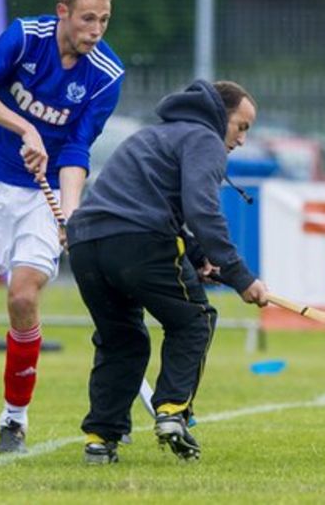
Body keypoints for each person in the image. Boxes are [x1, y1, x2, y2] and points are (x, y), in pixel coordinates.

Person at [0, 0, 122, 454]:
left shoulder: (107, 75)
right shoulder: (26, 37)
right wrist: (25, 129)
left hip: (38, 199)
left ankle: (14, 419)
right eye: (87, 19)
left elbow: (76, 149)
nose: (95, 30)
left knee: (24, 296)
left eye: (104, 21)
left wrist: (69, 213)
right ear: (63, 11)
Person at [66, 80, 269, 464]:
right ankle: (173, 413)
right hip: (138, 242)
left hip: (85, 244)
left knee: (121, 339)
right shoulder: (204, 139)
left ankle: (100, 439)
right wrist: (242, 278)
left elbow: (147, 205)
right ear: (218, 116)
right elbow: (202, 212)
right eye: (241, 126)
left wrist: (196, 257)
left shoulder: (153, 135)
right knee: (194, 320)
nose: (242, 139)